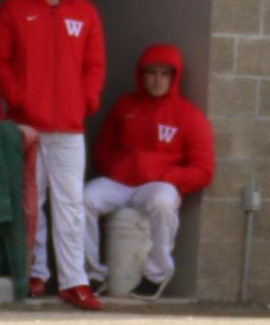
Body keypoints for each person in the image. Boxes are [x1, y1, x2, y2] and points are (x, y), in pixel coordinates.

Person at [0, 0, 105, 310]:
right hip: (28, 126)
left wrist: (86, 101)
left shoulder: (85, 12)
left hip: (70, 127)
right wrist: (19, 98)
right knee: (29, 203)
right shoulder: (14, 8)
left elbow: (95, 65)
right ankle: (34, 273)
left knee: (71, 204)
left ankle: (74, 280)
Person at [83, 44, 214, 298]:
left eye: (164, 74)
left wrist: (167, 176)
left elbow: (204, 170)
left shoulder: (189, 116)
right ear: (141, 75)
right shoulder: (124, 106)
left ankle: (156, 275)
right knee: (83, 198)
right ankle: (91, 275)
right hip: (121, 182)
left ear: (175, 77)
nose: (157, 80)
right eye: (151, 73)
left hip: (157, 184)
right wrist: (119, 167)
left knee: (163, 200)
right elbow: (102, 148)